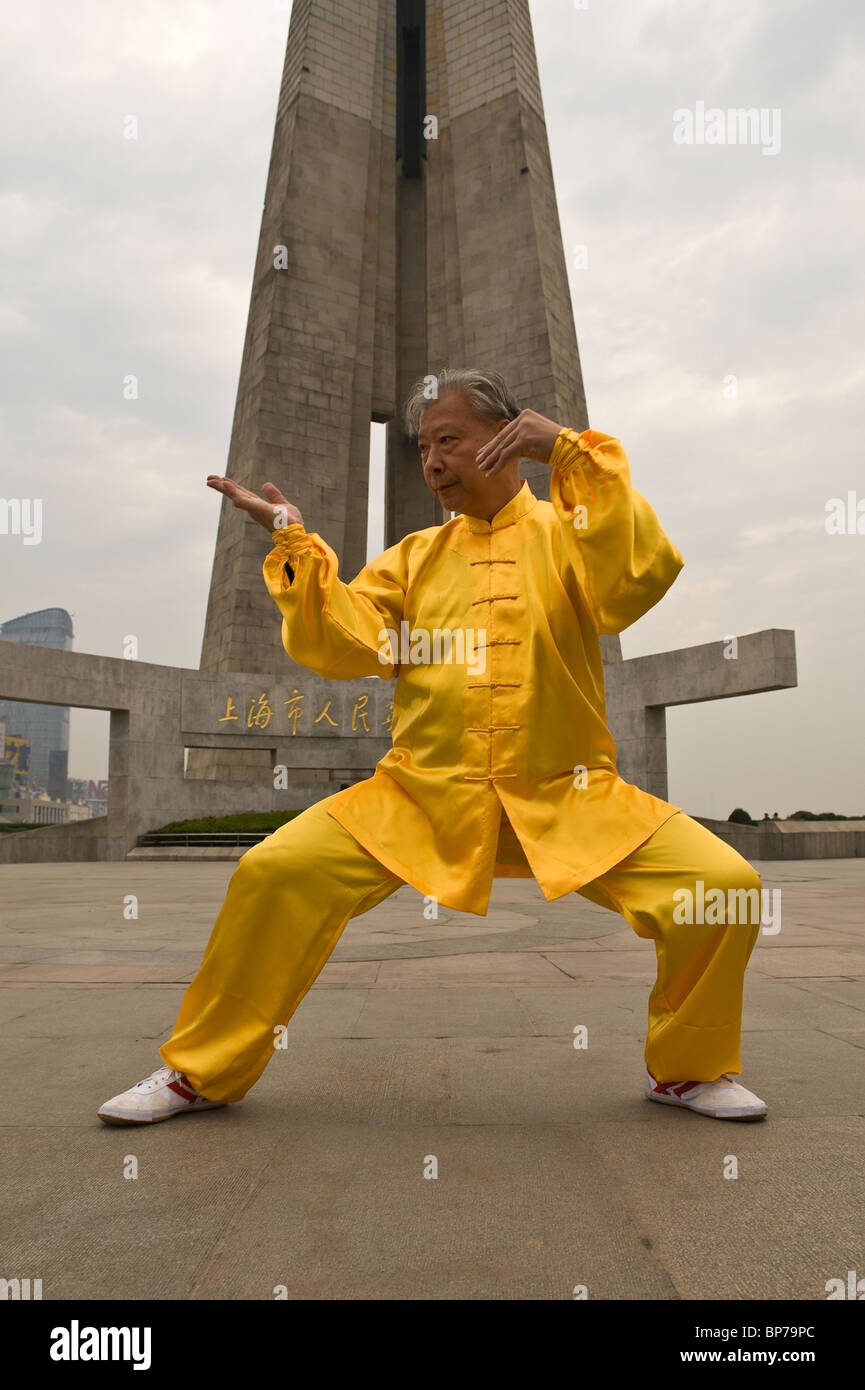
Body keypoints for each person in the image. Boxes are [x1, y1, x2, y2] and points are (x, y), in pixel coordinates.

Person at [98, 367, 767, 1126]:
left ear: (508, 437)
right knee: (272, 871)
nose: (433, 462)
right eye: (423, 448)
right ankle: (198, 1073)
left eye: (449, 440)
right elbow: (343, 640)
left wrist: (575, 455)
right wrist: (292, 537)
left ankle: (685, 1070)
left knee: (721, 885)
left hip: (566, 790)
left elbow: (633, 577)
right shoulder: (414, 558)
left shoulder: (569, 538)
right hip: (421, 794)